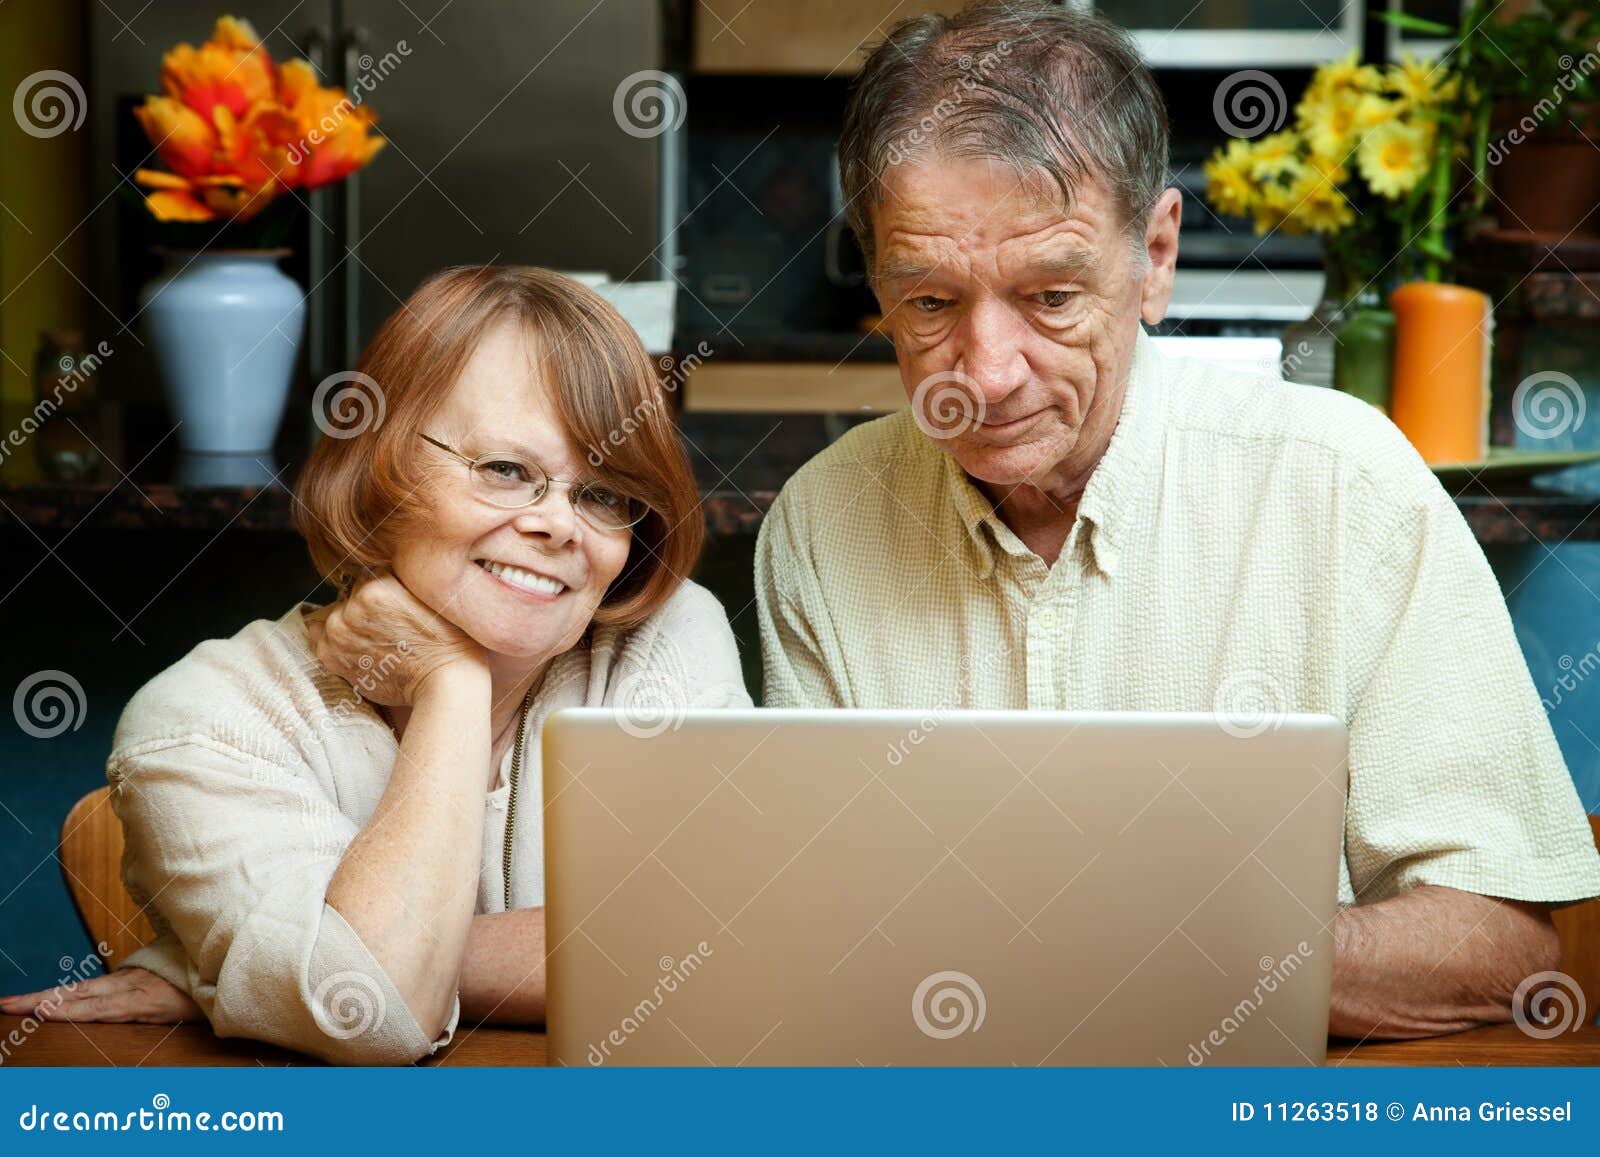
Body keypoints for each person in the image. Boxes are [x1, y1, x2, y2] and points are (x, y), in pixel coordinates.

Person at [754, 1, 1600, 1039]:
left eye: (1051, 295)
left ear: (1154, 255)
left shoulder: (1345, 484)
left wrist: (1159, 947)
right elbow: (820, 934)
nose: (984, 372)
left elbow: (1506, 947)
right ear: (877, 276)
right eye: (928, 304)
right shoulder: (819, 524)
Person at [0, 266, 750, 1062]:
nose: (559, 524)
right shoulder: (205, 718)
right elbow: (374, 1015)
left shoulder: (667, 638)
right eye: (504, 470)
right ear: (379, 470)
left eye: (603, 494)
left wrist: (244, 972)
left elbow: (726, 953)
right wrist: (450, 684)